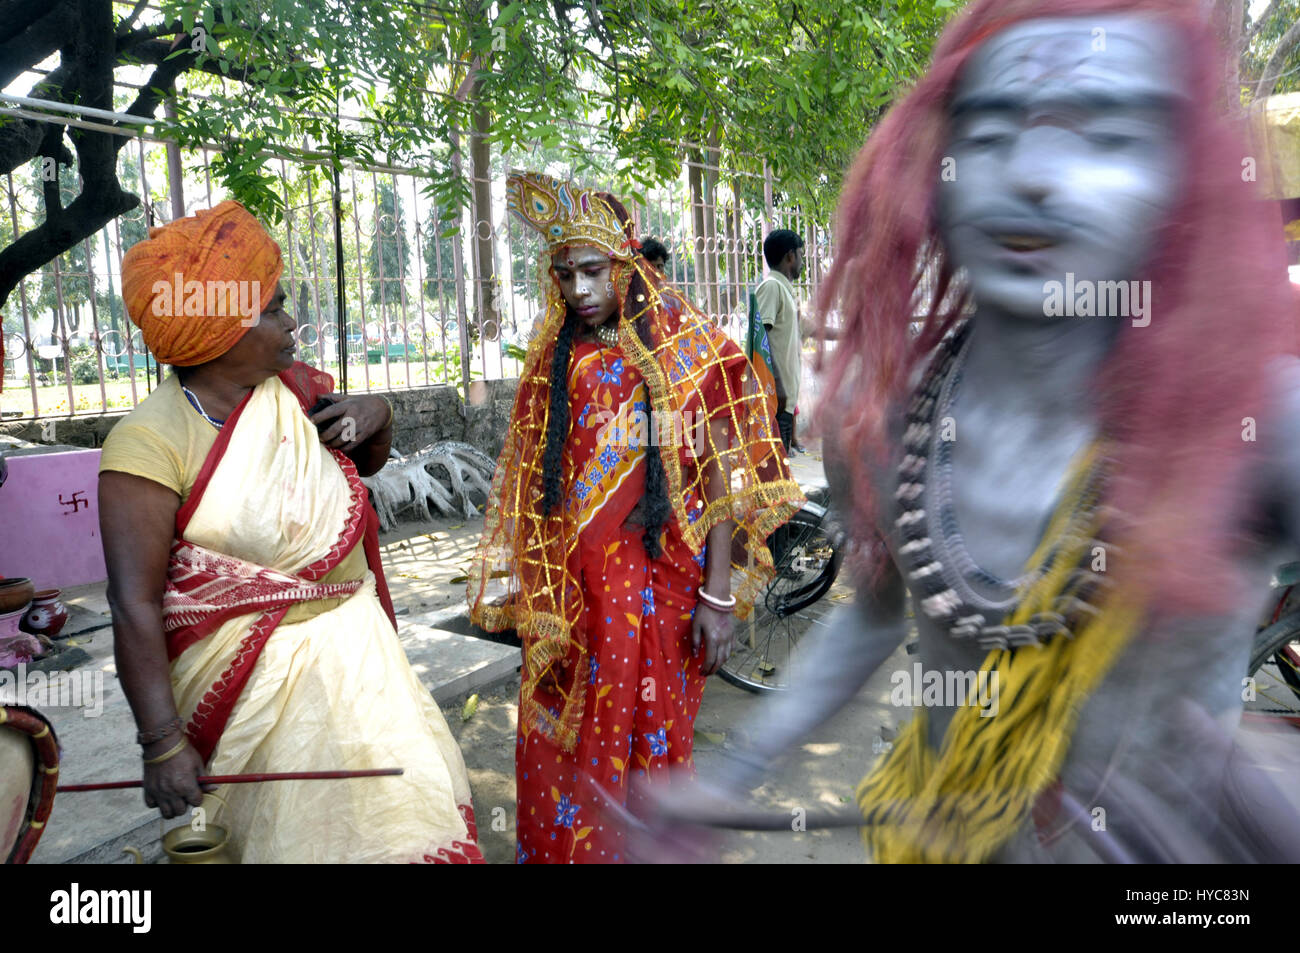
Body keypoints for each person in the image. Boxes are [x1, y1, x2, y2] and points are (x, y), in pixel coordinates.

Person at [651, 0, 1300, 863]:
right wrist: (735, 775)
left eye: (1103, 134)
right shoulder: (882, 419)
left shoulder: (1251, 420)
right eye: (990, 132)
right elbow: (874, 616)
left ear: (1180, 177)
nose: (1032, 173)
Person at [98, 200, 483, 863]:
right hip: (255, 694)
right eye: (274, 308)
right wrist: (160, 741)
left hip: (365, 662)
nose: (290, 323)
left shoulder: (298, 393)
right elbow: (133, 602)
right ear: (220, 326)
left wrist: (377, 411)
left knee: (404, 826)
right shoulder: (148, 442)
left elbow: (365, 459)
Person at [467, 172, 803, 863]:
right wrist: (536, 587)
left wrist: (716, 596)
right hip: (573, 595)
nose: (579, 289)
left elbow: (714, 481)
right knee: (558, 747)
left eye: (593, 270)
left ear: (626, 265)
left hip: (661, 589)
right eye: (565, 275)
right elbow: (535, 485)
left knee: (649, 747)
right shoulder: (555, 361)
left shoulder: (684, 353)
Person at [753, 229, 804, 454]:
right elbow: (760, 338)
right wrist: (778, 385)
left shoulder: (784, 290)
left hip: (784, 402)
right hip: (776, 399)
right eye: (801, 255)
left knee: (781, 471)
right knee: (774, 470)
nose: (803, 261)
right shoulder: (771, 287)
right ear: (790, 256)